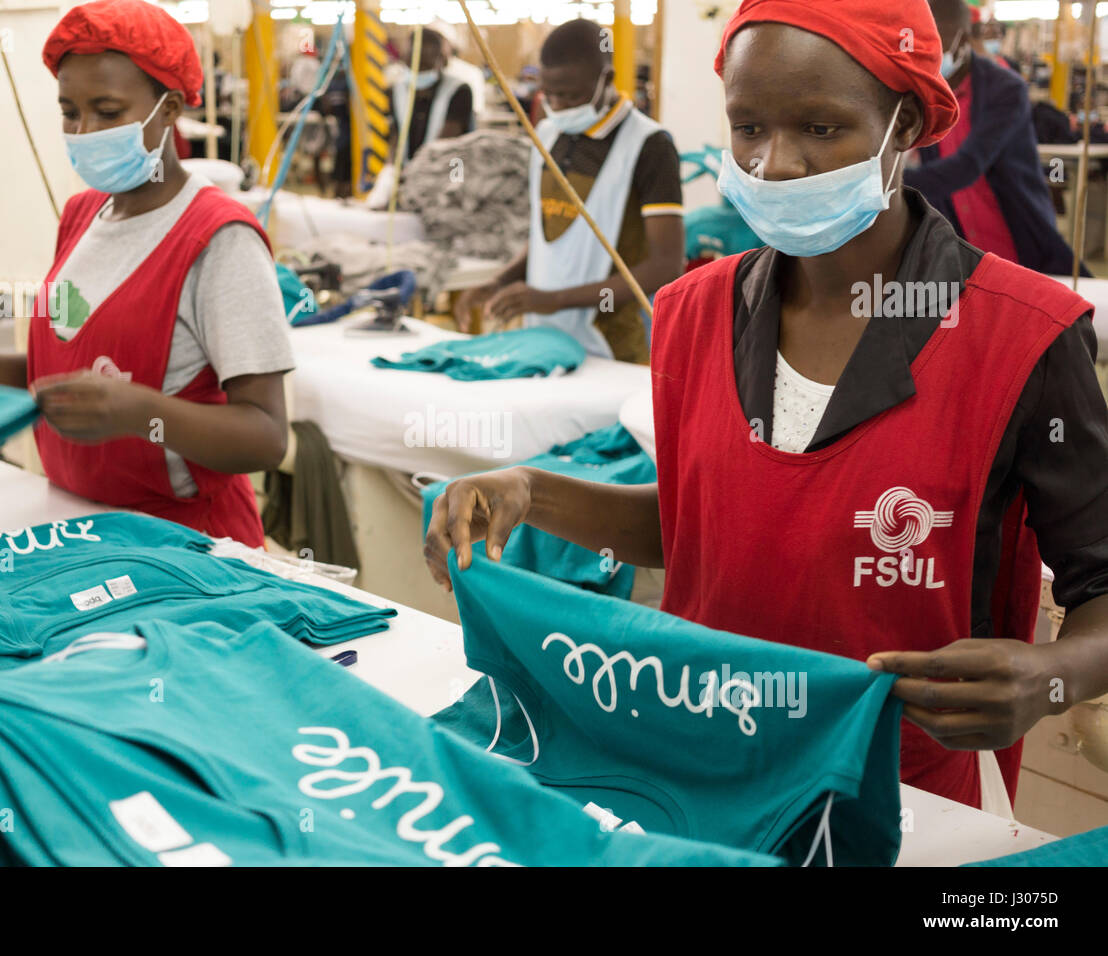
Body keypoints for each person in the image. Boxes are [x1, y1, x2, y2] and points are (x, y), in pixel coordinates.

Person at [426, 0, 1108, 813]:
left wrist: (1055, 675)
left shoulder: (1020, 338)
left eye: (820, 128)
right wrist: (533, 493)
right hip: (701, 770)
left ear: (909, 124)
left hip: (903, 799)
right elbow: (701, 522)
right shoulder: (691, 314)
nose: (774, 163)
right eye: (747, 127)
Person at [0, 0, 291, 546]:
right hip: (82, 526)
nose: (83, 131)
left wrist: (142, 413)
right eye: (69, 111)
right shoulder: (83, 217)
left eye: (107, 112)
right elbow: (50, 377)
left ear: (170, 108)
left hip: (184, 546)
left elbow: (266, 435)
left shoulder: (218, 239)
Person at [453, 19, 685, 364]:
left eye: (571, 95)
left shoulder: (649, 145)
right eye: (550, 94)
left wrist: (553, 299)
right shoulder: (547, 133)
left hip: (613, 346)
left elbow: (666, 265)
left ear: (606, 79)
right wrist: (500, 281)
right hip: (544, 338)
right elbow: (551, 236)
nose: (558, 106)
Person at [905, 0, 1081, 275]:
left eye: (934, 40)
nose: (925, 51)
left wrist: (887, 186)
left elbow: (967, 166)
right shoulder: (926, 93)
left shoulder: (1005, 89)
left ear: (961, 39)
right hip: (962, 245)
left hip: (1015, 234)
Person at [390, 27, 473, 164]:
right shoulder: (397, 90)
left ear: (441, 62)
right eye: (412, 65)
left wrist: (418, 172)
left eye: (424, 67)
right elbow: (396, 133)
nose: (418, 73)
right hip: (409, 172)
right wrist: (390, 169)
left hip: (448, 170)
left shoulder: (458, 91)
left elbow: (446, 142)